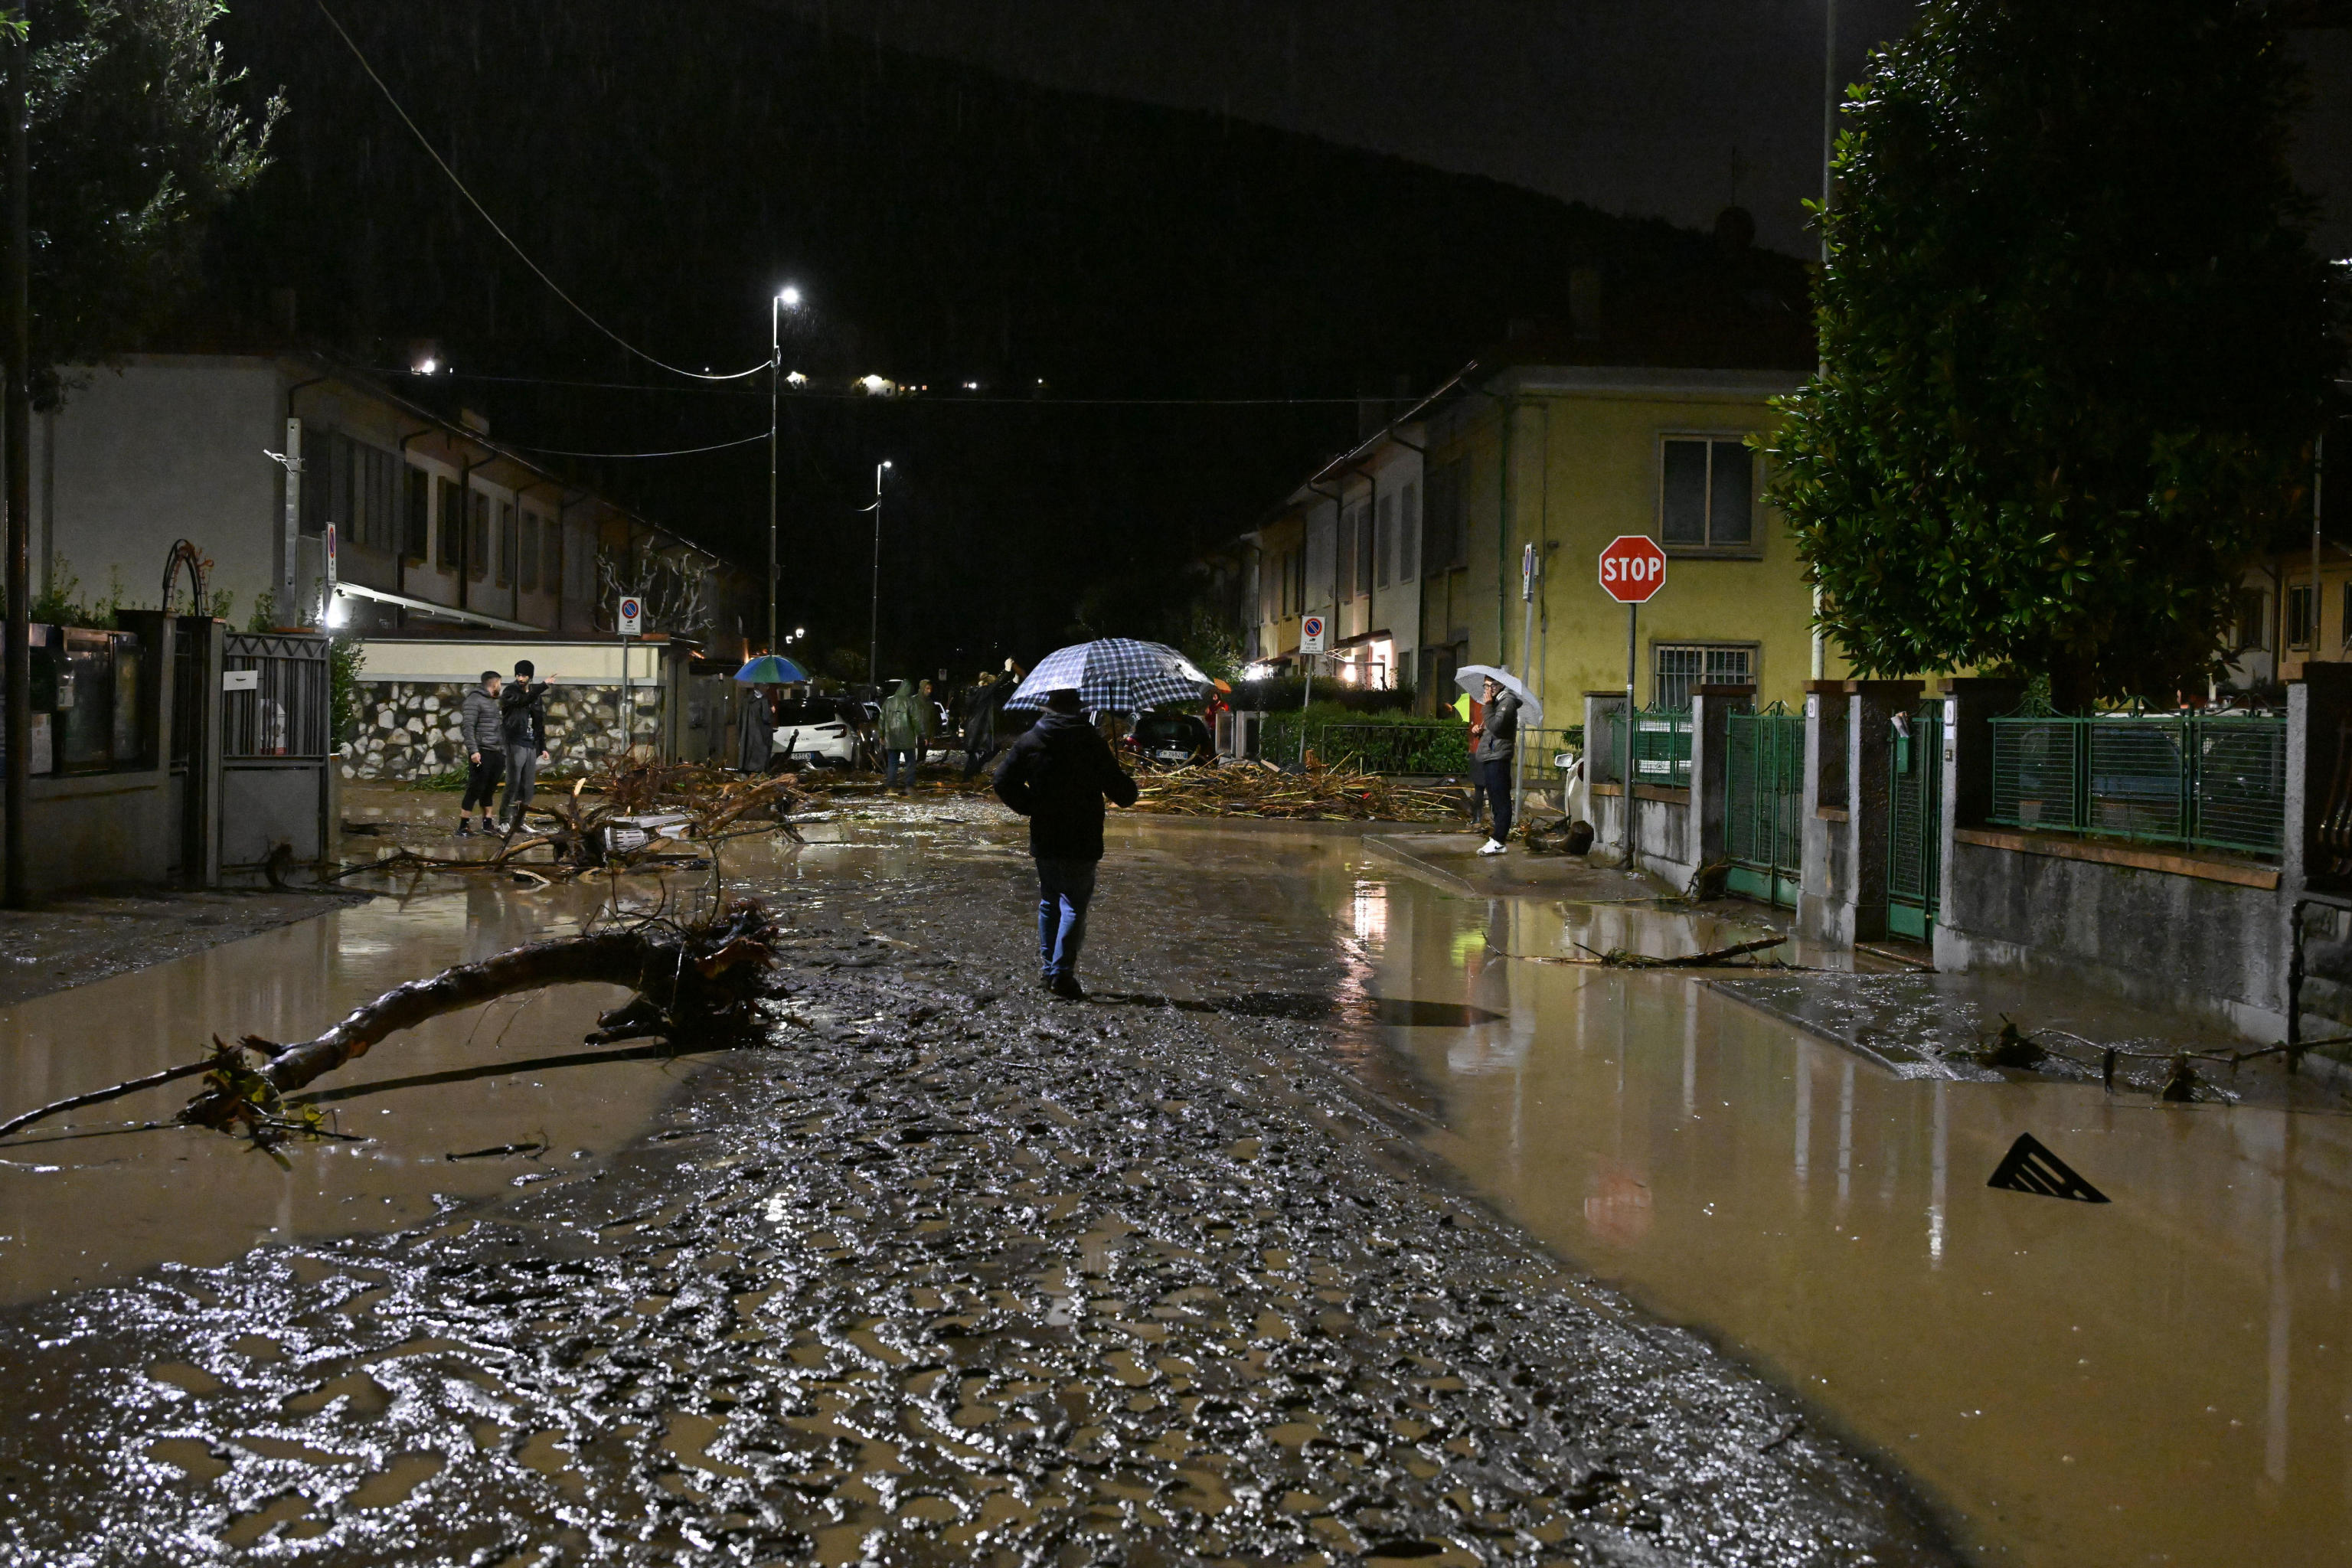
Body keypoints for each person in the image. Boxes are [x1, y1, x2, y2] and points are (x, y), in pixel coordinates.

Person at [994, 687, 1140, 1000]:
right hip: (1083, 835)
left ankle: (1050, 971)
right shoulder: (1091, 742)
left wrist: (1031, 805)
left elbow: (1002, 780)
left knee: (1050, 901)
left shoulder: (1031, 740)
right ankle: (1062, 974)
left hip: (1046, 833)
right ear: (1078, 708)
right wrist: (1125, 780)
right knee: (1074, 904)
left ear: (1048, 707)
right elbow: (1124, 795)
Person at [498, 659, 554, 833]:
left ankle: (519, 821)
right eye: (518, 675)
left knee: (528, 787)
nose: (520, 678)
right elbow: (522, 701)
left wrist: (542, 746)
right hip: (514, 741)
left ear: (530, 676)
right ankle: (504, 820)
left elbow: (539, 722)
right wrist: (544, 685)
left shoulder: (535, 696)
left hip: (531, 744)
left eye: (524, 675)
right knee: (513, 783)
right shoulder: (510, 692)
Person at [1470, 674, 1520, 855]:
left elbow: (1498, 726)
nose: (1487, 690)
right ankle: (1496, 838)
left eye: (1491, 685)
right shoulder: (1498, 702)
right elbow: (1493, 728)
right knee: (1494, 800)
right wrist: (1480, 731)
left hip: (1499, 757)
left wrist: (1488, 706)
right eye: (1485, 686)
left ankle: (1499, 840)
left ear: (1500, 685)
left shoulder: (1507, 701)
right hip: (1491, 755)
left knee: (1501, 799)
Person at [456, 671, 505, 836]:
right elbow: (468, 727)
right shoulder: (474, 700)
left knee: (489, 789)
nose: (501, 686)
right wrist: (474, 751)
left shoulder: (493, 701)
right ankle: (463, 826)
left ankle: (487, 824)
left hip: (497, 751)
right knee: (475, 788)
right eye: (500, 683)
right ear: (494, 683)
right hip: (482, 751)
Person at [880, 678, 927, 793]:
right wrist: (923, 735)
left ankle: (891, 787)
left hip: (892, 738)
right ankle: (909, 786)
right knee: (910, 762)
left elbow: (882, 720)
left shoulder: (888, 701)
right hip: (907, 737)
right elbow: (917, 720)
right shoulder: (910, 702)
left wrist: (881, 735)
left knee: (892, 763)